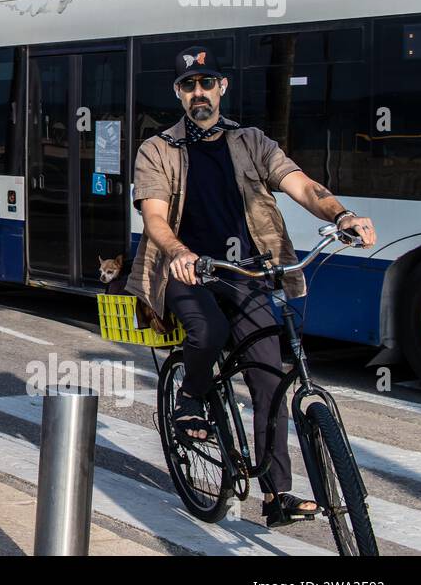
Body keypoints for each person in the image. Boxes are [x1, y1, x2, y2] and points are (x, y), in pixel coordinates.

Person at [128, 46, 377, 528]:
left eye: (206, 83)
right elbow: (154, 217)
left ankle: (277, 494)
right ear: (178, 94)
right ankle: (189, 399)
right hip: (188, 272)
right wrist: (180, 253)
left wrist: (341, 214)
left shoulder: (251, 141)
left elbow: (300, 183)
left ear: (222, 87)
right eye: (188, 86)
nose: (198, 93)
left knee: (268, 377)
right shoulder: (157, 149)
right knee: (209, 330)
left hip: (248, 273)